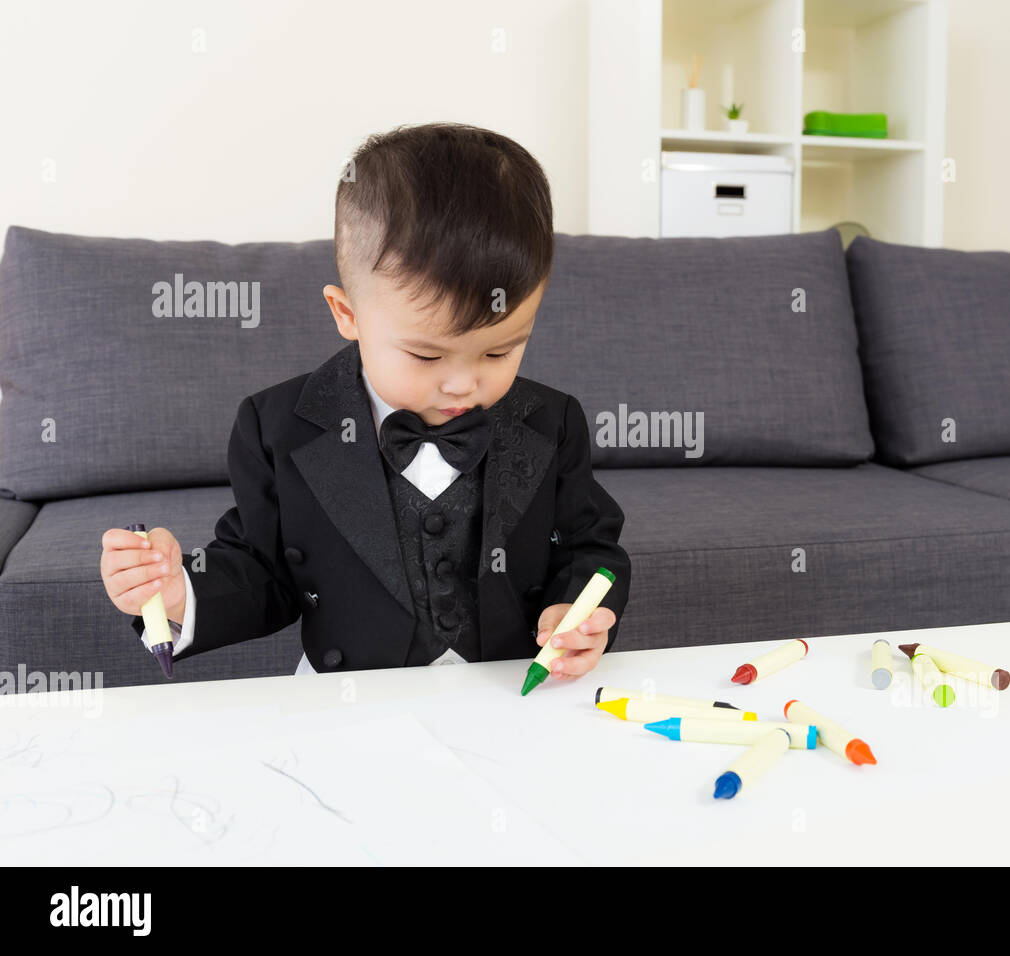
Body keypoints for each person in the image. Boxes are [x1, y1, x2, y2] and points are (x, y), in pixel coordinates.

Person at [99, 122, 631, 678]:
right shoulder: (277, 426)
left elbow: (589, 547)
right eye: (427, 356)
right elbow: (262, 572)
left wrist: (582, 611)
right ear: (347, 314)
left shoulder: (552, 421)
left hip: (512, 695)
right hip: (349, 706)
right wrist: (175, 591)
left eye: (500, 353)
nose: (463, 384)